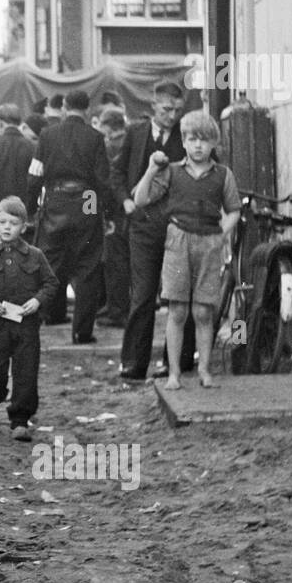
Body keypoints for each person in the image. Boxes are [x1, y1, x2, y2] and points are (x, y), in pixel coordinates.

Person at [132, 110, 240, 388]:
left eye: (204, 140)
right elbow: (141, 199)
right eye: (192, 139)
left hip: (208, 243)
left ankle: (204, 370)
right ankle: (174, 374)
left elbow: (233, 211)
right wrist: (151, 170)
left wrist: (220, 235)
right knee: (177, 310)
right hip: (178, 240)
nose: (198, 146)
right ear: (184, 141)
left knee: (203, 312)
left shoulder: (223, 175)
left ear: (213, 143)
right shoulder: (172, 172)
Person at [113, 80, 193, 381]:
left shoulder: (187, 136)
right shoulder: (135, 133)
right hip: (142, 227)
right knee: (143, 294)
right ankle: (134, 362)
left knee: (178, 295)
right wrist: (124, 201)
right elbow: (117, 172)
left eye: (177, 110)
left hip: (177, 227)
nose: (172, 116)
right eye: (166, 109)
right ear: (153, 107)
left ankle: (180, 361)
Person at [0, 196, 59, 439]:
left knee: (26, 372)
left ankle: (20, 419)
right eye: (3, 222)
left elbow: (51, 283)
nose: (7, 227)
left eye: (14, 223)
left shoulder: (35, 256)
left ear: (24, 227)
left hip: (26, 327)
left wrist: (37, 300)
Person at [26, 89, 114, 343]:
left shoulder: (47, 135)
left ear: (64, 107)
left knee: (51, 261)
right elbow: (102, 180)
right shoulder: (95, 137)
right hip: (87, 199)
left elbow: (35, 176)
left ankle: (49, 315)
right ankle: (82, 331)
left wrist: (31, 209)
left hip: (55, 199)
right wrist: (107, 214)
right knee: (87, 265)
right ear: (87, 109)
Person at [95, 107, 130, 328]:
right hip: (130, 207)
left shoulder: (110, 147)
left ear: (108, 126)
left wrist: (105, 212)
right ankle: (117, 305)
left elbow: (107, 183)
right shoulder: (129, 142)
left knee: (114, 262)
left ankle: (117, 310)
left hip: (115, 212)